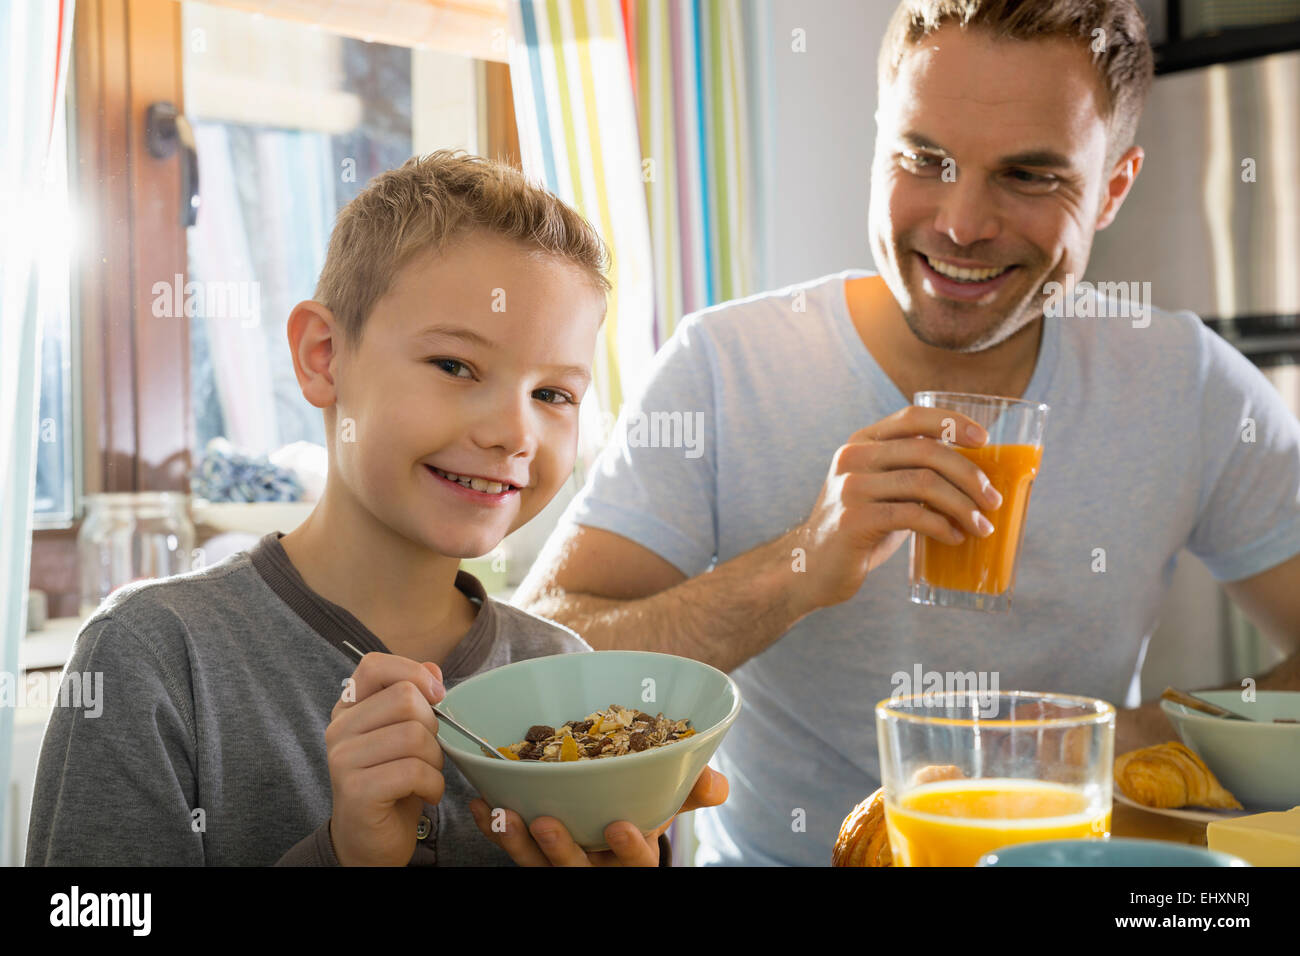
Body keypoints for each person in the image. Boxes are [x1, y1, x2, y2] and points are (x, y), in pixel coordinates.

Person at [515, 0, 1300, 866]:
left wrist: (1167, 739)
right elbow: (536, 667)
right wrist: (801, 563)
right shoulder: (724, 364)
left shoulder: (1183, 382)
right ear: (877, 142)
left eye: (1031, 176)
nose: (962, 224)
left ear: (1112, 189)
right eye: (925, 159)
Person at [25, 150, 726, 867]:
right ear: (324, 356)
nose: (514, 433)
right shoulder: (154, 658)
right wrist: (341, 856)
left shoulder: (565, 673)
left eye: (554, 395)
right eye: (455, 366)